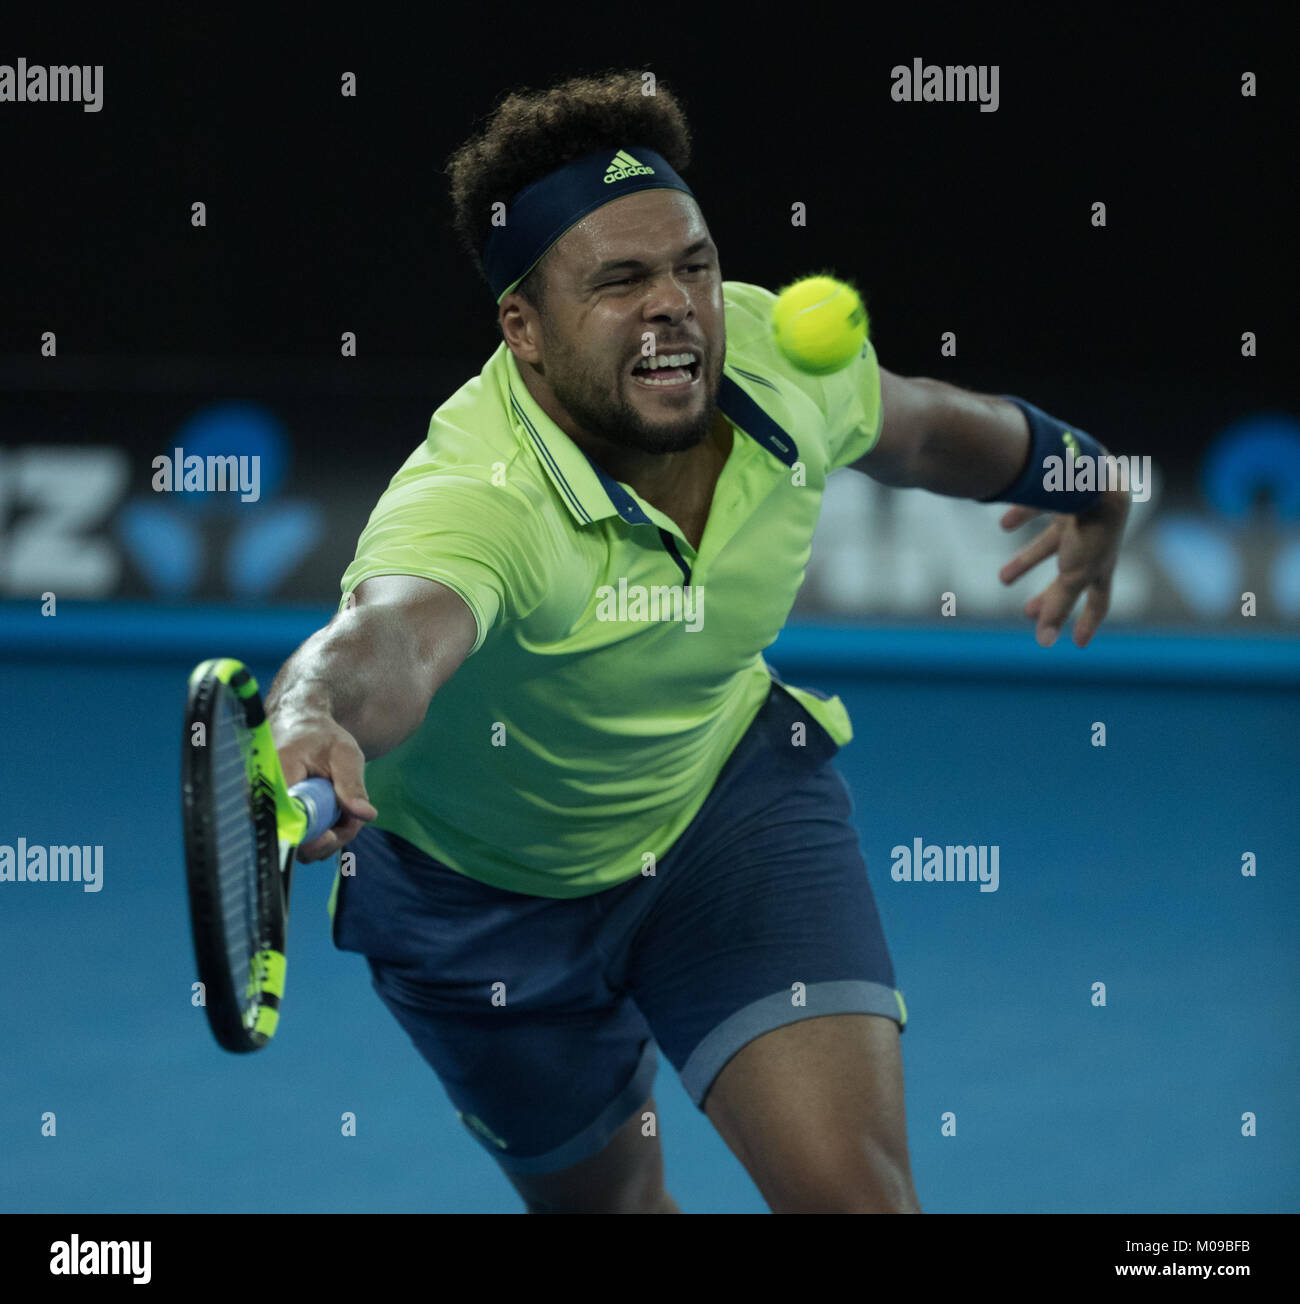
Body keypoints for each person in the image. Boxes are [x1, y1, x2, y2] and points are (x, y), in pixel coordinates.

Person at [265, 69, 1130, 1214]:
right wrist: (308, 712)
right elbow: (387, 637)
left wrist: (1087, 476)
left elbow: (927, 432)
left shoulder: (778, 361)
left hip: (720, 819)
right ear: (521, 327)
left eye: (693, 264)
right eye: (619, 281)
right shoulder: (477, 495)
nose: (675, 304)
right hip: (472, 901)